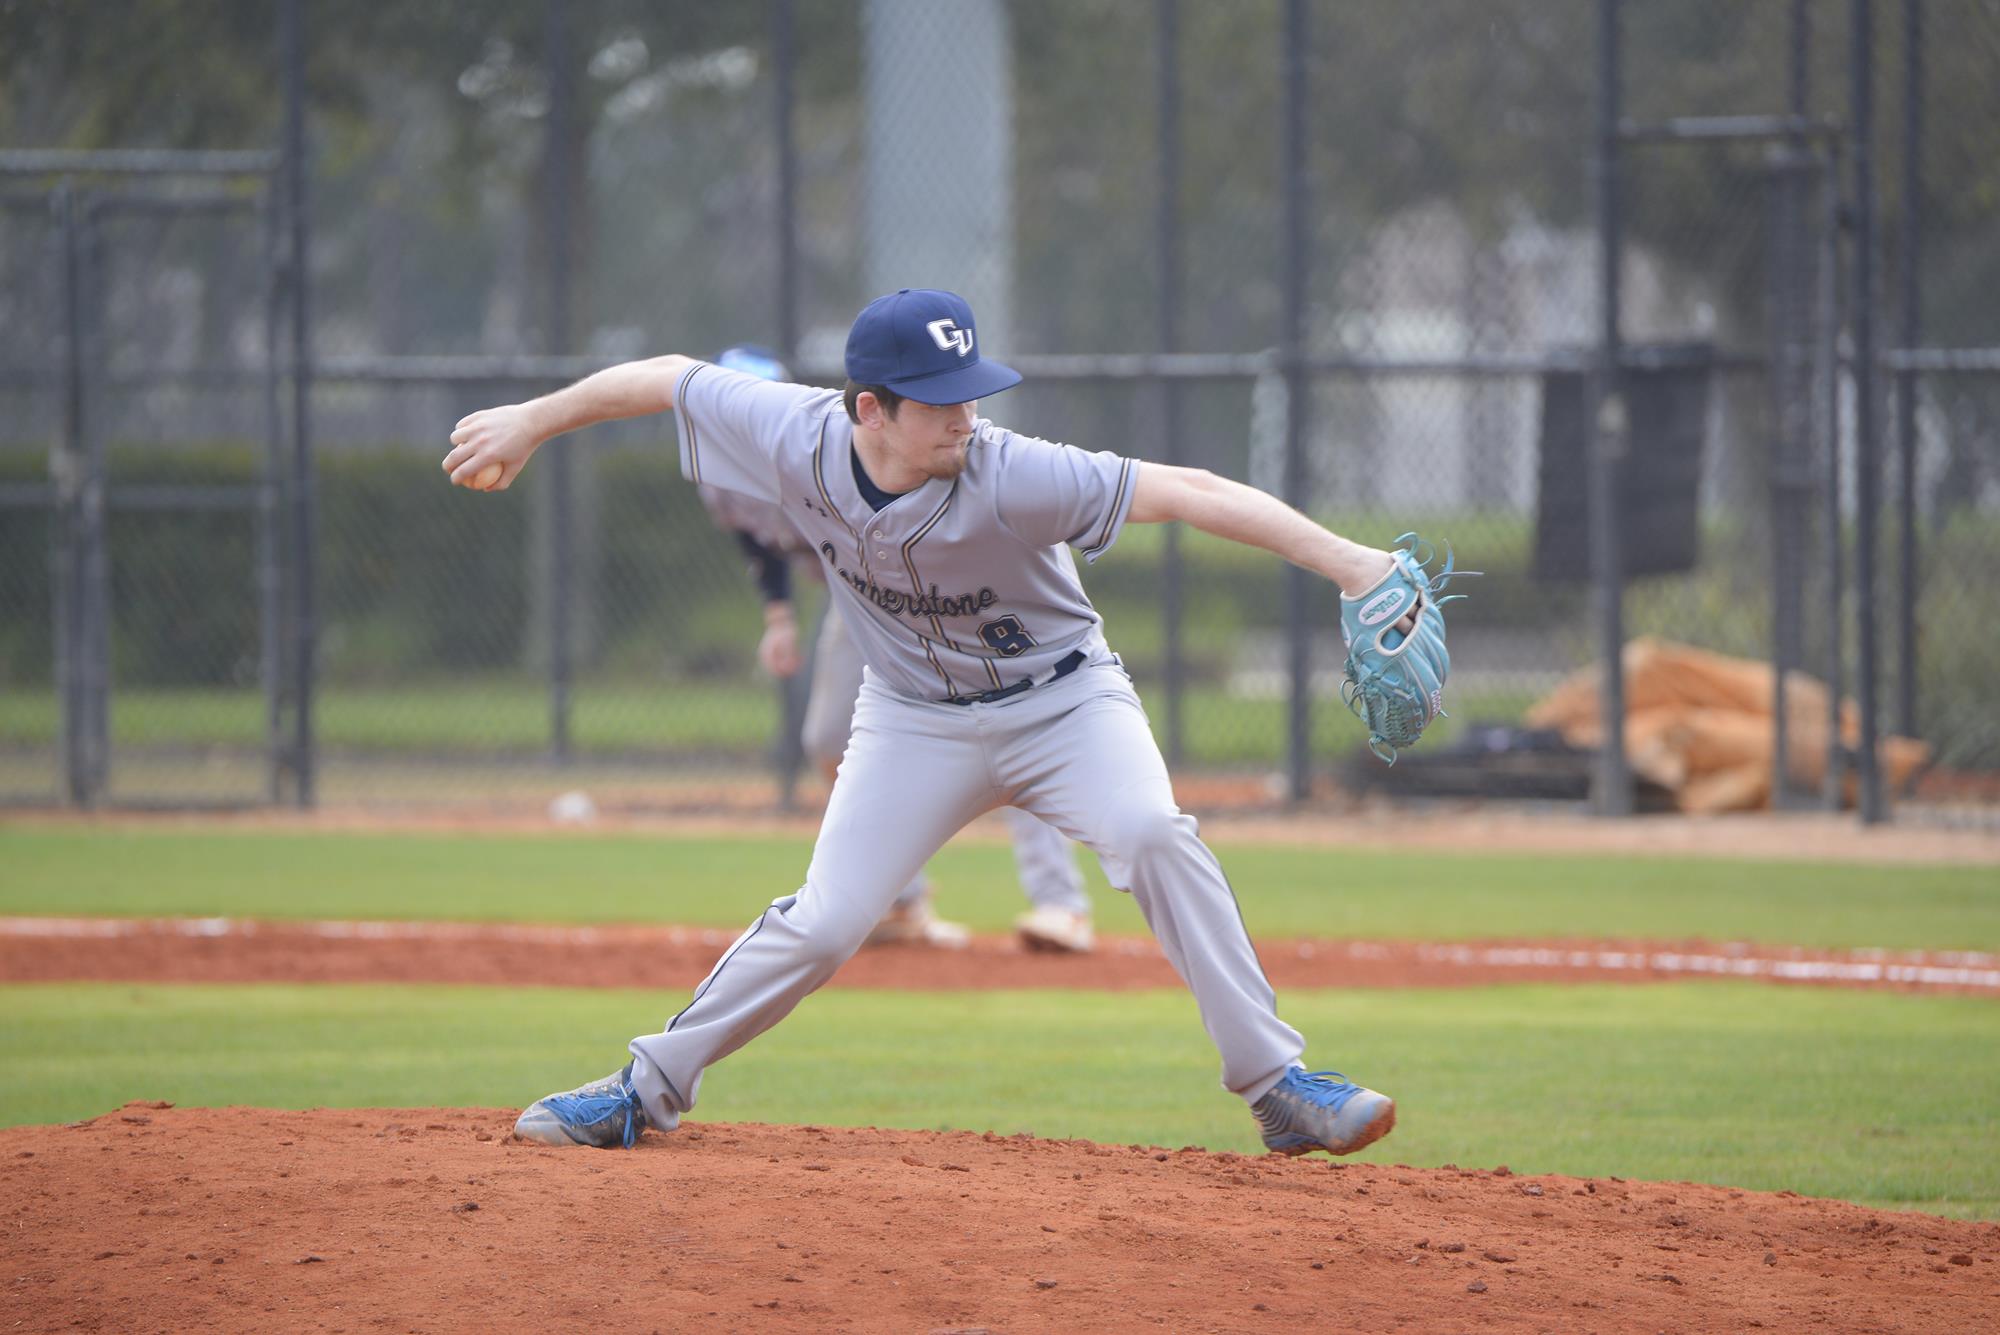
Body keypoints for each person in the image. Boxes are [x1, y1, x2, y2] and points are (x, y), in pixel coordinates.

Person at [444, 287, 1402, 1157]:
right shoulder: (793, 434)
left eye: (970, 391)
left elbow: (1192, 490)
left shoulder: (1016, 472)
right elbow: (661, 377)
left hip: (1065, 703)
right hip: (911, 720)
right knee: (825, 923)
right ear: (871, 409)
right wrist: (532, 420)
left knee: (1155, 833)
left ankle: (1277, 1087)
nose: (965, 415)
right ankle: (642, 1088)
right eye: (939, 400)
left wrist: (1355, 565)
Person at [701, 344, 1097, 953]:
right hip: (858, 593)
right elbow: (759, 542)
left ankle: (1060, 904)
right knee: (828, 740)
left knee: (1015, 722)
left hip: (950, 580)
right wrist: (779, 618)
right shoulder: (719, 477)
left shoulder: (817, 443)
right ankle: (902, 902)